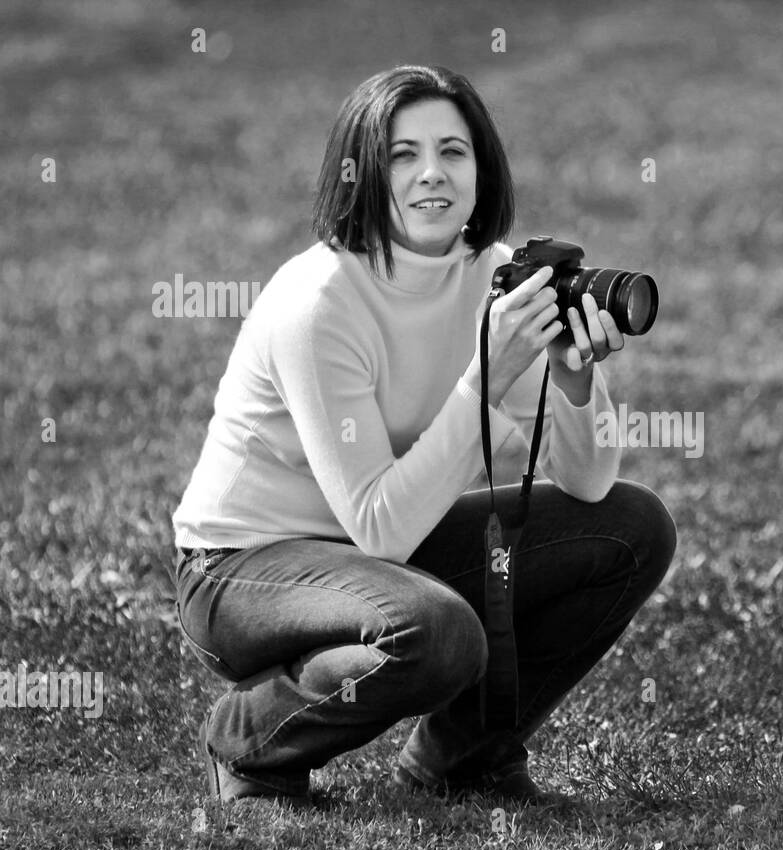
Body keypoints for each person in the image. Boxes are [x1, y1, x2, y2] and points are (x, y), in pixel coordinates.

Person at [170, 64, 677, 808]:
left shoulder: (498, 279)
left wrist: (573, 380)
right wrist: (489, 378)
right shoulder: (319, 303)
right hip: (240, 571)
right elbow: (380, 528)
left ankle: (461, 758)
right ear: (364, 175)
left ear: (483, 166)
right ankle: (247, 741)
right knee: (438, 631)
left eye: (453, 151)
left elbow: (590, 487)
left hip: (372, 557)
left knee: (633, 527)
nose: (432, 174)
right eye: (403, 155)